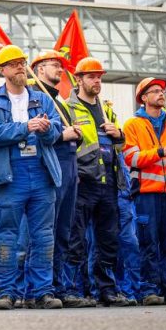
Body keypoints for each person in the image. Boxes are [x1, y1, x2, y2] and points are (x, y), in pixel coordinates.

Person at [0, 45, 63, 310]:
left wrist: (47, 129)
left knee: (43, 235)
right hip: (9, 174)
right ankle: (5, 291)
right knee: (7, 235)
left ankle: (41, 291)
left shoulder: (43, 99)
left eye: (22, 62)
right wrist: (26, 127)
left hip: (40, 172)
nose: (19, 66)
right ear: (2, 70)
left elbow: (56, 133)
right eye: (13, 63)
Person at [65, 57, 130, 307]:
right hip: (83, 182)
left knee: (108, 240)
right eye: (91, 76)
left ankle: (106, 290)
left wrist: (119, 135)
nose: (97, 81)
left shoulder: (107, 109)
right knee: (76, 239)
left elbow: (121, 145)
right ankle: (73, 290)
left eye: (99, 77)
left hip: (109, 182)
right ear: (78, 79)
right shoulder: (68, 108)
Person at [123, 77, 166, 305]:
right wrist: (161, 152)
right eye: (154, 91)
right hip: (146, 194)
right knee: (148, 242)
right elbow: (131, 157)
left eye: (161, 91)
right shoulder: (132, 125)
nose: (161, 94)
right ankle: (149, 290)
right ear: (143, 98)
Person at [28, 50, 86, 308]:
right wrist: (64, 135)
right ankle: (42, 287)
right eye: (54, 65)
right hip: (49, 169)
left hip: (69, 168)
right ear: (39, 69)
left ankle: (60, 286)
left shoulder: (60, 102)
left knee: (65, 231)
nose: (60, 70)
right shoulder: (35, 98)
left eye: (61, 66)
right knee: (45, 232)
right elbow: (35, 134)